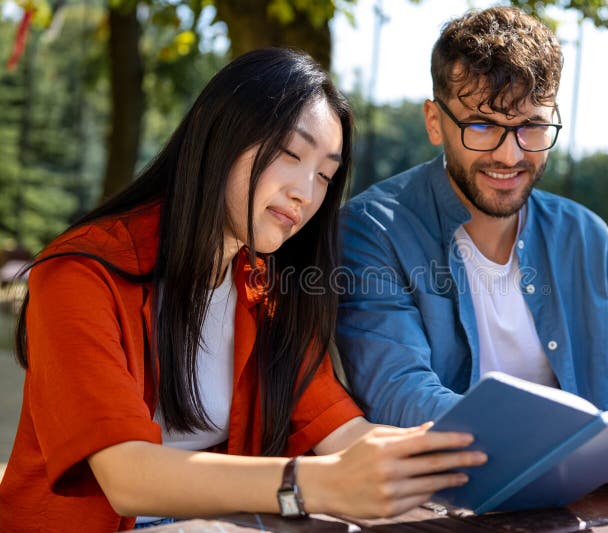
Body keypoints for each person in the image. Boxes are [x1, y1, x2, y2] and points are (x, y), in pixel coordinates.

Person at [0, 48, 487, 532]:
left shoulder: (267, 293)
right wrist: (313, 483)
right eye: (289, 155)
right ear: (220, 137)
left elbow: (345, 434)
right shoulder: (81, 273)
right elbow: (126, 475)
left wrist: (466, 465)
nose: (305, 193)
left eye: (325, 175)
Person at [336, 7, 608, 500]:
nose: (510, 155)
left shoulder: (585, 235)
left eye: (531, 126)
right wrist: (605, 458)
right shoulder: (372, 230)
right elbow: (402, 402)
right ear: (434, 122)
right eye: (482, 126)